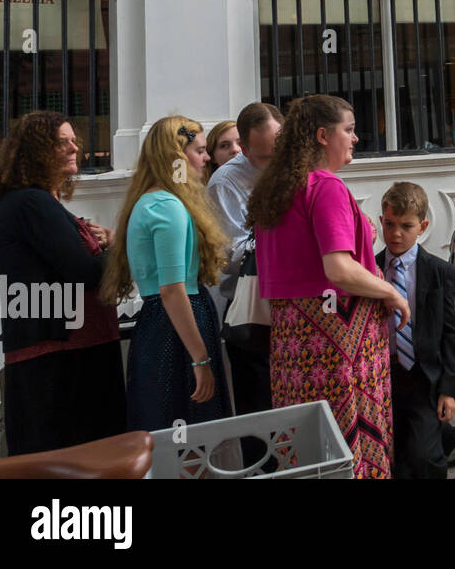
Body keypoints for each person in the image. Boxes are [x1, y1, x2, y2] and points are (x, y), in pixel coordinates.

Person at [249, 95, 408, 479]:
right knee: (348, 451)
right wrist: (391, 292)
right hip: (338, 340)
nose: (355, 139)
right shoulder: (326, 186)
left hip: (293, 341)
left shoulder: (278, 190)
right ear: (323, 135)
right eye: (348, 130)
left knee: (306, 453)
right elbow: (337, 268)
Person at [0, 112, 126, 454]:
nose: (75, 147)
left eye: (74, 140)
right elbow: (85, 273)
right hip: (60, 363)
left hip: (66, 355)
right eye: (63, 142)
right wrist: (120, 251)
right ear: (37, 151)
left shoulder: (35, 203)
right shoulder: (31, 202)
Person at [101, 117, 232, 432]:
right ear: (177, 156)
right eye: (200, 150)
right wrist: (200, 360)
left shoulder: (151, 202)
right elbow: (172, 289)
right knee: (188, 437)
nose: (207, 158)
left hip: (165, 324)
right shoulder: (166, 206)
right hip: (176, 328)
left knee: (174, 434)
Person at [376, 182, 455, 478]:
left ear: (422, 226)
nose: (396, 233)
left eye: (406, 226)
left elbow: (450, 332)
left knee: (426, 457)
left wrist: (449, 391)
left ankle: (440, 438)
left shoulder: (438, 271)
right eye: (390, 224)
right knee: (394, 454)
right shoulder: (371, 270)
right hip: (383, 375)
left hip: (423, 377)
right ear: (380, 221)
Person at [207, 102, 283, 419]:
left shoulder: (297, 166)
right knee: (260, 411)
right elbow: (231, 254)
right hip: (250, 309)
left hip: (294, 306)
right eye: (264, 157)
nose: (273, 163)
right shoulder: (225, 182)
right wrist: (284, 242)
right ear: (245, 149)